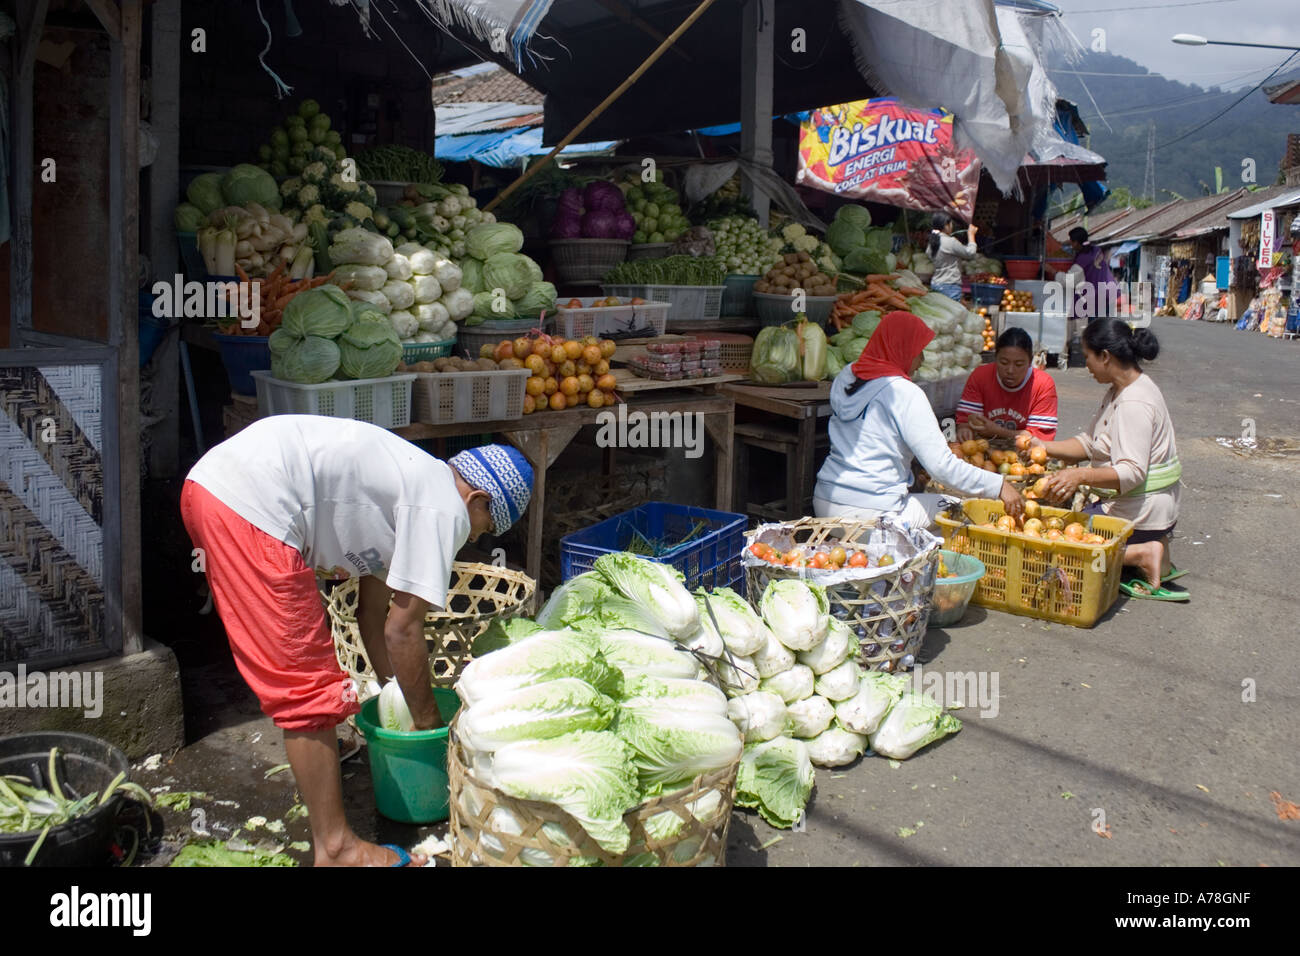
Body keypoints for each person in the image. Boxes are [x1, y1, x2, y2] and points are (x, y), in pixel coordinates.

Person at [180, 416, 535, 865]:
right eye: (484, 527)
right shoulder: (442, 506)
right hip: (250, 506)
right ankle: (338, 850)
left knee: (302, 676)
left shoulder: (408, 486)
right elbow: (402, 630)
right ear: (478, 499)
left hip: (217, 492)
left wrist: (393, 695)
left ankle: (322, 776)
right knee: (307, 686)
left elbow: (374, 615)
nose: (475, 539)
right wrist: (428, 728)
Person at [814, 310, 1024, 528]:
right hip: (874, 513)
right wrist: (998, 486)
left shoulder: (846, 377)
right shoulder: (904, 393)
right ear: (902, 349)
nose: (921, 361)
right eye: (918, 352)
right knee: (960, 509)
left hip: (825, 501)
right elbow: (942, 467)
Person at [1028, 319, 1185, 600]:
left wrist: (1080, 476)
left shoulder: (1133, 403)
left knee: (1055, 545)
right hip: (1142, 507)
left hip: (1142, 512)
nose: (1086, 365)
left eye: (1087, 356)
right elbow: (1090, 444)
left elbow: (1131, 472)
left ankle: (1140, 552)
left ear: (1105, 356)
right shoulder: (1121, 389)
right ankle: (1147, 546)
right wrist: (1044, 447)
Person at [955, 327, 1059, 443]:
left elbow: (1039, 439)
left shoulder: (1043, 384)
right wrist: (965, 429)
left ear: (1030, 362)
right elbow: (966, 420)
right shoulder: (980, 376)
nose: (1010, 370)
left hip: (1024, 451)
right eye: (1004, 362)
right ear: (995, 358)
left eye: (1019, 364)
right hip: (984, 448)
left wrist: (998, 431)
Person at [1055, 227, 1121, 342]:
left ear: (1075, 242)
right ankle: (1106, 350)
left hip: (1097, 296)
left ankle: (1099, 353)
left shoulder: (1082, 259)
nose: (1070, 245)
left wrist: (1053, 272)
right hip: (1108, 291)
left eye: (1071, 242)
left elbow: (1069, 280)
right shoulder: (1096, 250)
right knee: (1106, 326)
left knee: (1097, 330)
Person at [927, 213, 978, 302]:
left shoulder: (932, 242)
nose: (952, 226)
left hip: (935, 283)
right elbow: (970, 253)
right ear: (946, 226)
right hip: (950, 285)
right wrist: (971, 235)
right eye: (951, 224)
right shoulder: (950, 242)